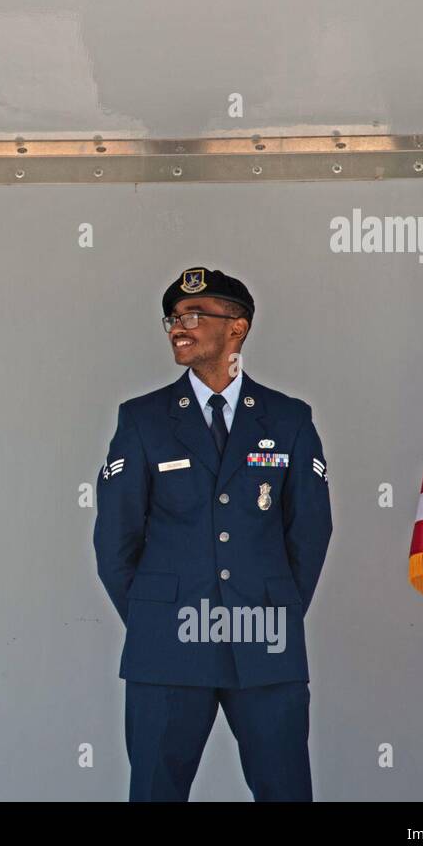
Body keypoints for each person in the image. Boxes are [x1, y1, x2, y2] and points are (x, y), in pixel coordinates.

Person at [94, 267, 332, 801]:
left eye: (196, 316)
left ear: (237, 328)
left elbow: (310, 531)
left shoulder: (289, 419)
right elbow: (115, 540)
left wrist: (277, 607)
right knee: (156, 793)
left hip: (264, 639)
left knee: (286, 792)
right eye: (174, 318)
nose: (180, 327)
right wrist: (155, 616)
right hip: (168, 646)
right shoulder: (142, 420)